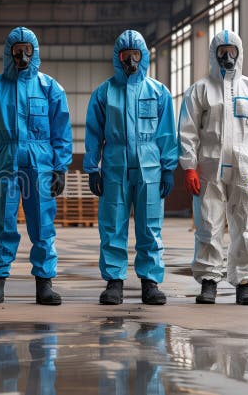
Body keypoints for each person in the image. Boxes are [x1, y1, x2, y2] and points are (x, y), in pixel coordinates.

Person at [0, 26, 72, 305]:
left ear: (35, 53)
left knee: (42, 224)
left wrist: (60, 167)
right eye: (17, 52)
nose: (22, 57)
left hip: (40, 164)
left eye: (27, 52)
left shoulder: (50, 88)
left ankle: (44, 284)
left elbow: (61, 131)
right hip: (4, 160)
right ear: (9, 53)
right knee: (2, 221)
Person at [179, 30, 248, 305]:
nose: (227, 56)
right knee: (208, 225)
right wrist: (189, 166)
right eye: (222, 51)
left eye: (232, 51)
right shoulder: (200, 90)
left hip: (245, 170)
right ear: (214, 54)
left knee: (245, 226)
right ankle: (209, 281)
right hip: (209, 169)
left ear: (239, 53)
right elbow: (187, 130)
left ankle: (244, 283)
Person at [83, 30, 178, 306]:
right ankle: (114, 283)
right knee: (112, 224)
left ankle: (150, 283)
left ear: (144, 57)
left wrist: (168, 167)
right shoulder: (104, 92)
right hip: (114, 164)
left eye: (136, 55)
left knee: (150, 225)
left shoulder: (159, 92)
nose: (131, 61)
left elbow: (166, 134)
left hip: (150, 166)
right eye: (126, 56)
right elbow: (93, 132)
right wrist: (92, 168)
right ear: (118, 58)